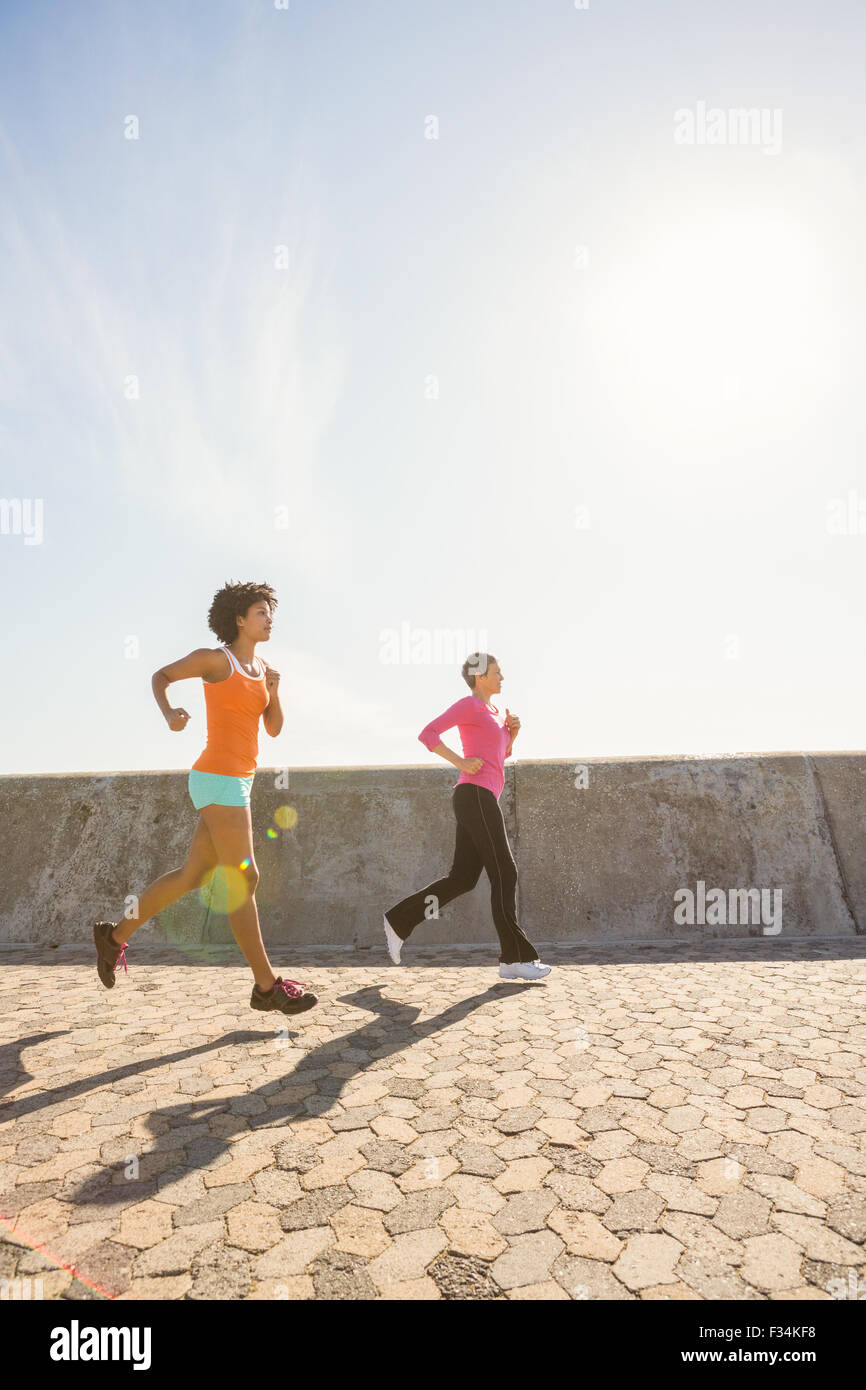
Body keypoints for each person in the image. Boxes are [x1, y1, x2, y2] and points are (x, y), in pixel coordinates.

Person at [92, 580, 317, 1016]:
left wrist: (275, 690)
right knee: (244, 880)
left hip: (239, 781)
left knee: (192, 875)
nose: (269, 619)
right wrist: (169, 712)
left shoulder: (262, 669)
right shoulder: (216, 660)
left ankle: (113, 936)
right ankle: (266, 986)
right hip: (217, 779)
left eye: (270, 612)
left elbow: (273, 728)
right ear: (238, 619)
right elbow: (160, 677)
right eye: (260, 612)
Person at [383, 653, 550, 980]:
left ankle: (399, 920)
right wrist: (460, 762)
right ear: (479, 677)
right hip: (473, 795)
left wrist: (512, 735)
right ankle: (514, 958)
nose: (503, 676)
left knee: (462, 879)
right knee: (505, 871)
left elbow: (498, 758)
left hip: (482, 797)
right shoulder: (469, 705)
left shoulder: (498, 713)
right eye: (497, 671)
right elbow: (428, 734)